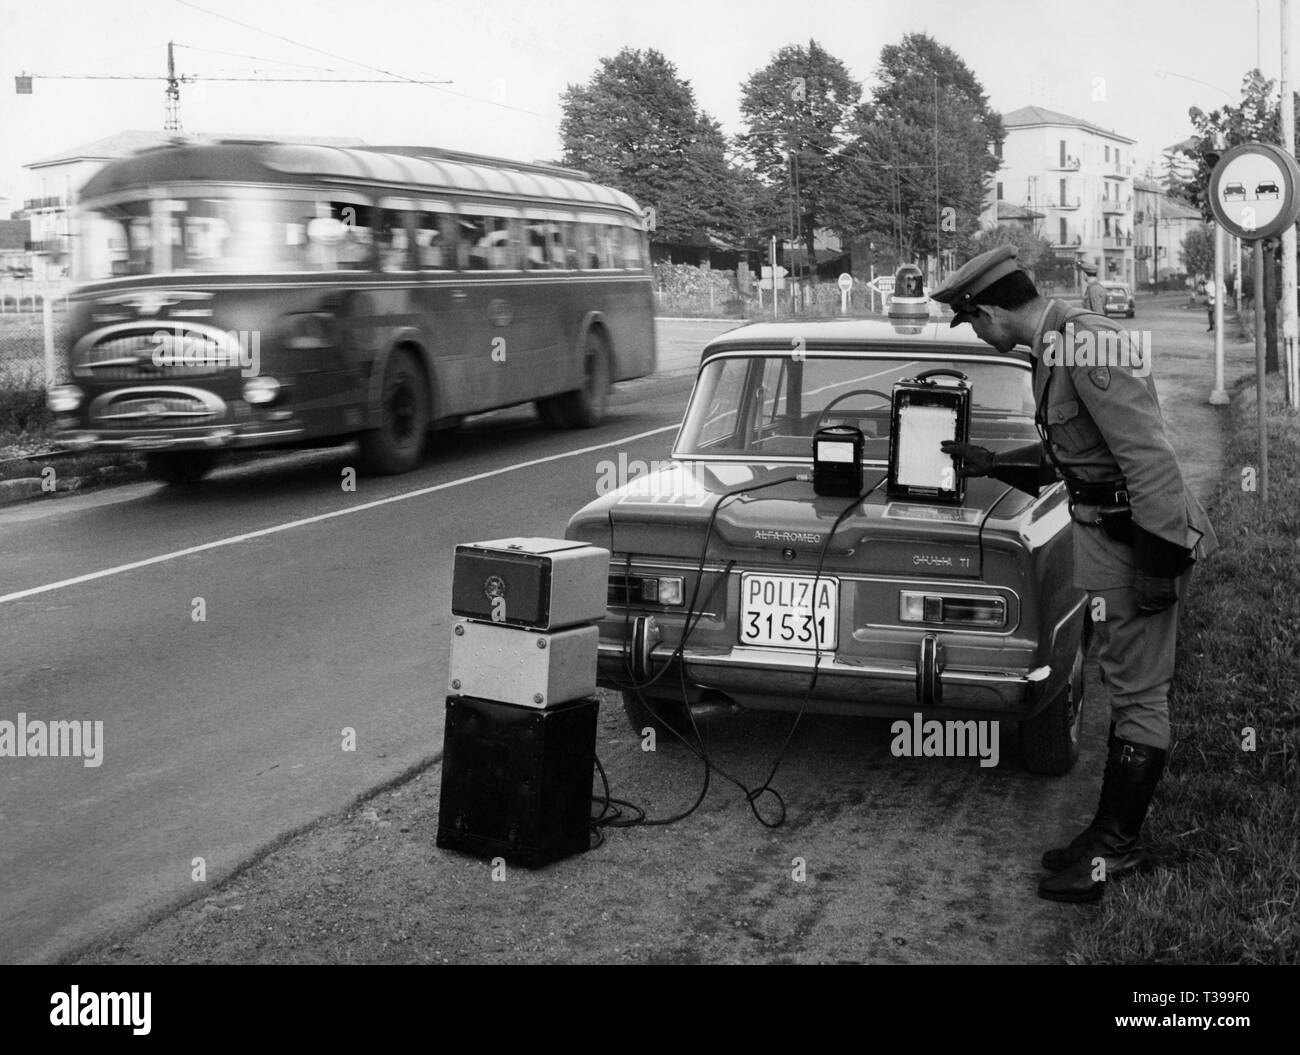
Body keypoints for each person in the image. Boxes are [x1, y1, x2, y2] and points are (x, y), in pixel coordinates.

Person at [931, 245, 1218, 903]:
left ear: (991, 311)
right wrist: (993, 461)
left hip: (1139, 539)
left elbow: (1149, 460)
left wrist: (1157, 564)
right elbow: (1078, 454)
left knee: (1141, 695)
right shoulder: (1054, 347)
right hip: (1111, 538)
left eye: (970, 321)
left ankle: (1116, 849)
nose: (974, 334)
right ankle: (1103, 833)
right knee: (1124, 685)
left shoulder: (1087, 345)